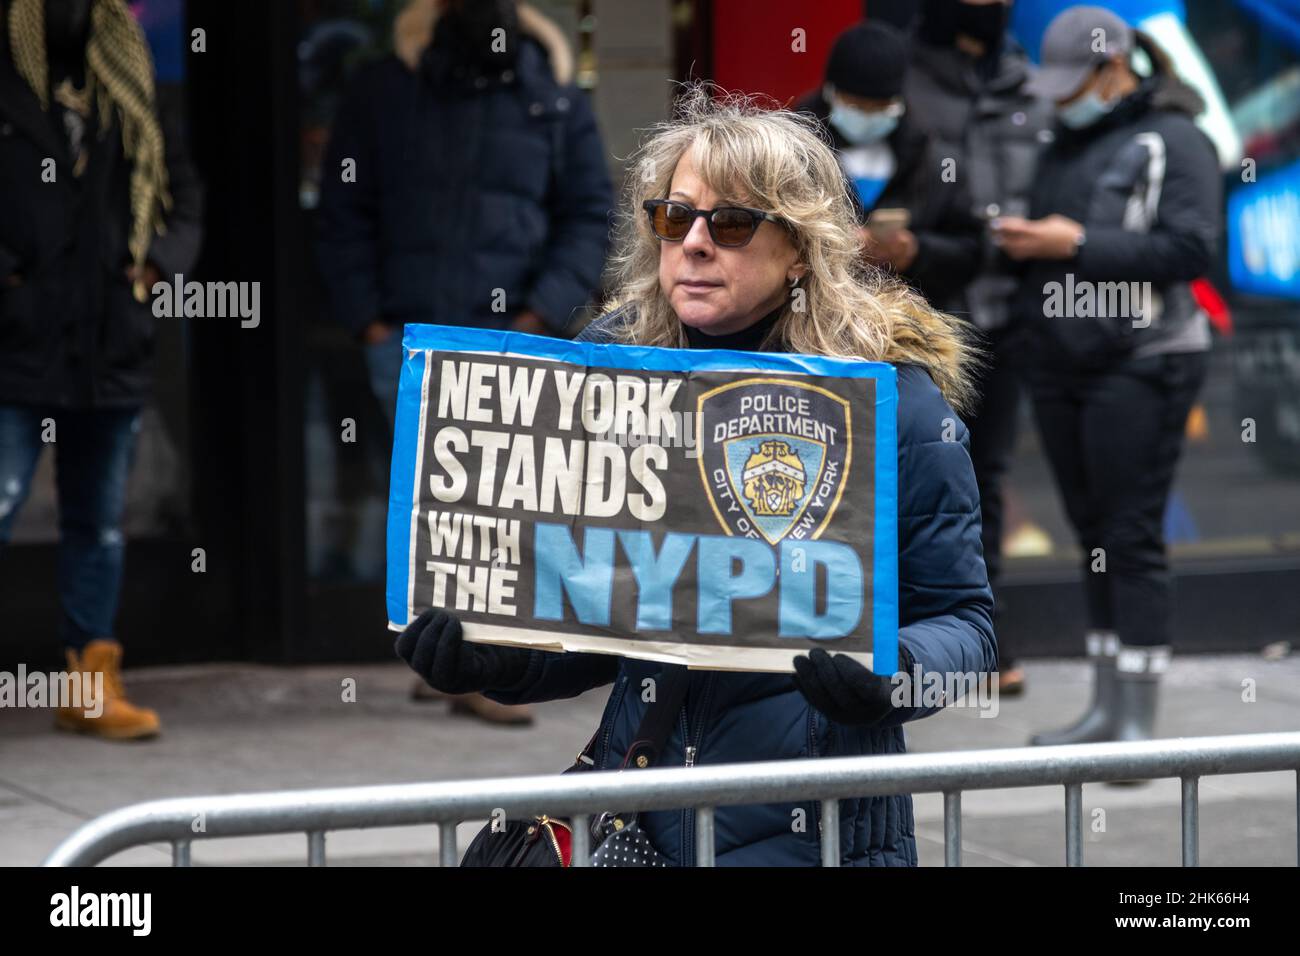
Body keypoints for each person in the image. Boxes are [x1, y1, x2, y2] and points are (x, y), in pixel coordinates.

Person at [397, 88, 997, 866]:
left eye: (734, 222)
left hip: (820, 839)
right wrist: (491, 659)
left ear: (801, 248)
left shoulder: (891, 401)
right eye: (675, 218)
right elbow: (600, 620)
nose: (696, 244)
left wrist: (899, 674)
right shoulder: (612, 376)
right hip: (640, 822)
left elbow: (968, 627)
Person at [316, 0, 613, 726]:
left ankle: (477, 664)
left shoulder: (552, 99)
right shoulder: (386, 90)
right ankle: (444, 661)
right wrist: (370, 323)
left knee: (500, 504)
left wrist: (540, 312)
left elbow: (589, 211)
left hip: (512, 340)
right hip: (409, 340)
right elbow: (343, 209)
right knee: (430, 505)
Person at [994, 7, 1220, 746]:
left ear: (1114, 66)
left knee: (1129, 534)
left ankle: (1136, 723)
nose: (1059, 98)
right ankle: (1104, 710)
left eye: (1072, 83)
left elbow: (1190, 248)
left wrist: (1078, 242)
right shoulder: (1065, 136)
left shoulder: (1175, 136)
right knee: (1093, 531)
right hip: (1063, 359)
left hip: (1143, 358)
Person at [0, 0, 202, 740]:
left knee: (98, 523)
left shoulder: (128, 80)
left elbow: (184, 198)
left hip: (109, 341)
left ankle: (90, 685)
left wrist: (152, 270)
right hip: (18, 344)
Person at [905, 0, 1055, 696]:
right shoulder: (905, 80)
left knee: (983, 477)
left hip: (1009, 315)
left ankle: (986, 641)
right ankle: (909, 641)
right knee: (911, 471)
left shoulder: (1030, 86)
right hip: (920, 317)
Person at [796, 20, 982, 311]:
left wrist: (916, 252)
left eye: (881, 107)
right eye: (857, 105)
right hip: (813, 317)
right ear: (831, 93)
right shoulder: (794, 150)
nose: (869, 116)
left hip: (907, 324)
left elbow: (971, 251)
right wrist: (838, 247)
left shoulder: (932, 157)